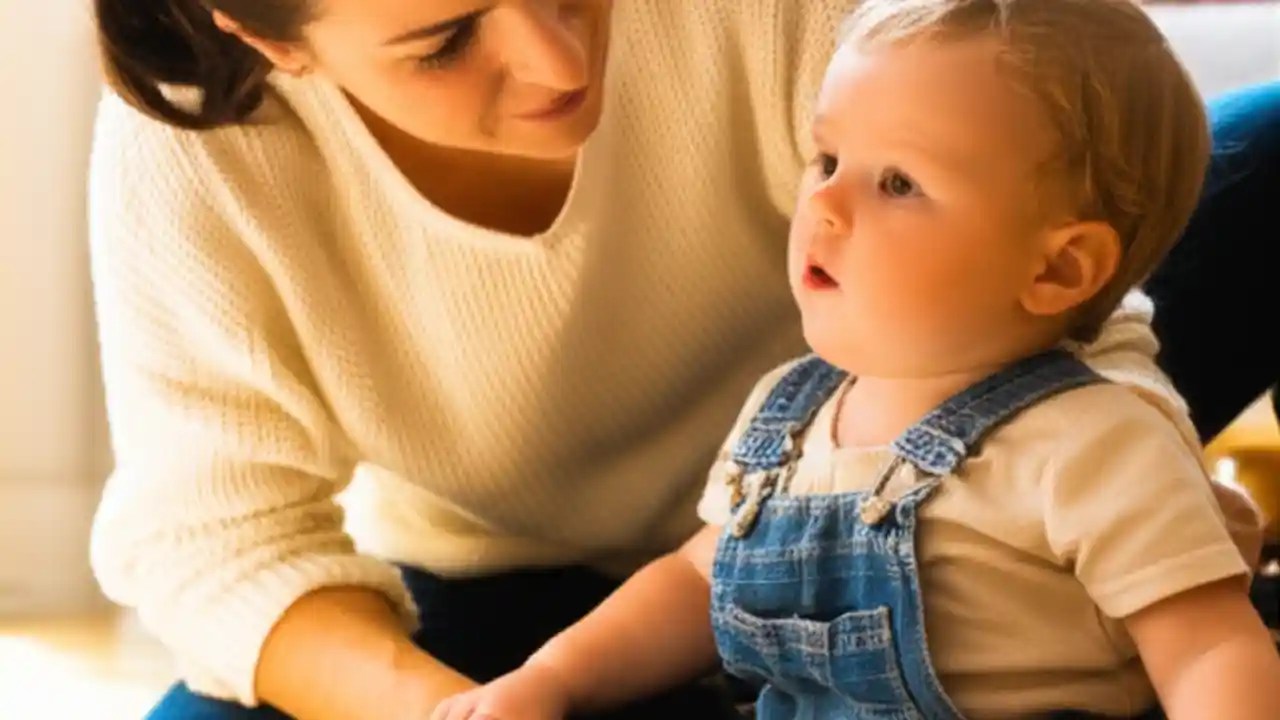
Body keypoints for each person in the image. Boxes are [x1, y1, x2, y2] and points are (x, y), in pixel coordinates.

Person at [84, 0, 1270, 718]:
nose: (558, 60)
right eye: (443, 40)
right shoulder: (195, 160)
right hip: (511, 599)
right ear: (266, 37)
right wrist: (486, 705)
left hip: (967, 453)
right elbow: (221, 545)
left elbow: (1045, 278)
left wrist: (1135, 487)